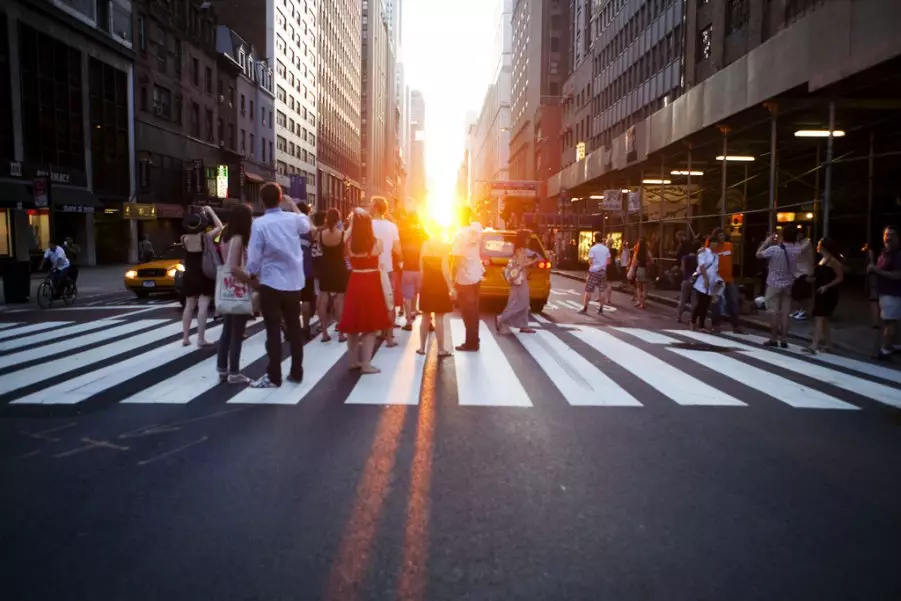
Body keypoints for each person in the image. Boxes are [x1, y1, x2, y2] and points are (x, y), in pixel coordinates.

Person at [245, 183, 311, 388]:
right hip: (293, 283)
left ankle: (274, 375)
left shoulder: (260, 224)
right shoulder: (293, 219)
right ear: (280, 198)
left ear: (262, 201)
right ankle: (297, 372)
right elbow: (307, 224)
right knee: (294, 327)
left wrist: (251, 272)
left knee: (273, 330)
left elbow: (255, 254)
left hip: (271, 282)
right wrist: (293, 205)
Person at [337, 209, 393, 374]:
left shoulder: (348, 242)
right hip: (371, 282)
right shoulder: (377, 243)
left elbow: (347, 234)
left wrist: (353, 223)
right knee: (370, 325)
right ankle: (366, 364)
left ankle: (353, 360)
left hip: (355, 281)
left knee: (353, 323)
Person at [216, 203, 254, 384]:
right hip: (237, 288)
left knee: (227, 331)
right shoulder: (238, 238)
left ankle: (222, 369)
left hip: (227, 289)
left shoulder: (225, 236)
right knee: (237, 333)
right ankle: (234, 372)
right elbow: (234, 267)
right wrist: (251, 279)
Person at [180, 206, 222, 347]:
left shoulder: (184, 238)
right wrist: (210, 211)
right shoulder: (206, 238)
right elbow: (220, 226)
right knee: (203, 306)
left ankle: (185, 338)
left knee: (189, 306)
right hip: (204, 274)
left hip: (190, 274)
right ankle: (200, 339)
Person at [756, 227, 803, 348]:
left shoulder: (774, 249)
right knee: (785, 313)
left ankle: (773, 338)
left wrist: (766, 242)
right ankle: (784, 339)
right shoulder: (797, 249)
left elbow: (758, 255)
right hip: (788, 283)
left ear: (782, 236)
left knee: (773, 312)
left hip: (773, 283)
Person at [451, 207, 485, 352]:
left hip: (464, 278)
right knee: (474, 311)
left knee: (467, 312)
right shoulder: (477, 229)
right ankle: (474, 339)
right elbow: (478, 223)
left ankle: (471, 343)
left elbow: (456, 259)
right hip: (477, 275)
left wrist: (452, 278)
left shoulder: (458, 235)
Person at [369, 196, 401, 347]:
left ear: (375, 207)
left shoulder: (368, 225)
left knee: (373, 302)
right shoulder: (392, 227)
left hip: (371, 269)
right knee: (389, 303)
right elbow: (397, 249)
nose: (369, 206)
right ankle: (389, 337)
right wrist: (399, 262)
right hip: (387, 268)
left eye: (370, 204)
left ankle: (375, 332)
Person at [496, 229, 539, 333]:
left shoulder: (521, 249)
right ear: (523, 239)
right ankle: (501, 318)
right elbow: (520, 264)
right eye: (528, 238)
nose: (529, 240)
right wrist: (533, 261)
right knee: (520, 302)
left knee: (523, 302)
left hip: (521, 278)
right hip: (519, 280)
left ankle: (523, 325)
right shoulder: (520, 250)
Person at [868, 225, 901, 361]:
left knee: (890, 322)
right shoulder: (884, 253)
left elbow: (898, 275)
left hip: (892, 293)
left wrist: (875, 270)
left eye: (892, 234)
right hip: (886, 292)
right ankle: (894, 345)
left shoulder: (897, 254)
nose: (889, 237)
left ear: (898, 237)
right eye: (887, 234)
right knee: (892, 321)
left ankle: (885, 350)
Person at [417, 234, 454, 356]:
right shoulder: (443, 247)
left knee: (425, 317)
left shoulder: (425, 244)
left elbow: (421, 266)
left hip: (427, 284)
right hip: (440, 285)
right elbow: (445, 269)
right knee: (439, 319)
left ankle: (422, 348)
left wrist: (422, 282)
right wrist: (451, 287)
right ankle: (441, 349)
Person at [807, 237, 844, 354]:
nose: (817, 246)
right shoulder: (823, 259)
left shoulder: (833, 260)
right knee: (824, 320)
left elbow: (840, 278)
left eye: (819, 244)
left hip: (828, 292)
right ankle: (829, 345)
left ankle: (814, 345)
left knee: (819, 317)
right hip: (820, 291)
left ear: (824, 247)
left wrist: (826, 286)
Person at [317, 208, 349, 343]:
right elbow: (346, 254)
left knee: (323, 299)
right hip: (339, 269)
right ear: (338, 219)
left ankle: (324, 333)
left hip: (325, 268)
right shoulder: (343, 235)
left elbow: (320, 250)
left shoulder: (320, 235)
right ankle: (341, 333)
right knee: (340, 300)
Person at [710, 227, 742, 333]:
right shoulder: (712, 248)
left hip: (729, 279)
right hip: (717, 279)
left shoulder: (729, 246)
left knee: (733, 301)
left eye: (723, 235)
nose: (722, 237)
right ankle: (715, 324)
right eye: (719, 235)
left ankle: (736, 326)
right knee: (716, 302)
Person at [400, 214, 426, 330]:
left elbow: (398, 249)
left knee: (407, 296)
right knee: (421, 294)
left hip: (407, 268)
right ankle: (428, 321)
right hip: (420, 268)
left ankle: (409, 322)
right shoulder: (422, 233)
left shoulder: (403, 233)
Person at [691, 235, 722, 331]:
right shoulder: (704, 252)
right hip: (702, 281)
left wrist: (716, 281)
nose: (715, 245)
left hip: (711, 282)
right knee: (701, 303)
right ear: (710, 243)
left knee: (706, 304)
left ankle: (699, 324)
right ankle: (696, 322)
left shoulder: (716, 256)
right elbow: (702, 266)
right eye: (714, 243)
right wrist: (706, 280)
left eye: (717, 244)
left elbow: (715, 270)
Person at [297, 201, 317, 338]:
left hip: (292, 270)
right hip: (307, 269)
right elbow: (315, 229)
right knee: (306, 299)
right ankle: (305, 327)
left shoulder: (291, 229)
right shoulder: (310, 231)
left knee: (291, 300)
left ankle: (289, 327)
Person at [579, 233, 610, 315]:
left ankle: (585, 308)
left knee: (588, 289)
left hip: (593, 271)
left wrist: (594, 265)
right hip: (603, 271)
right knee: (602, 290)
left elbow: (590, 261)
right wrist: (602, 265)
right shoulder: (606, 249)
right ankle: (601, 309)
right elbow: (609, 261)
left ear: (595, 239)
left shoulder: (593, 249)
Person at [791, 233, 816, 320]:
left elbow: (799, 251)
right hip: (797, 272)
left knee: (804, 293)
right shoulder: (796, 243)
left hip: (806, 271)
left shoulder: (807, 242)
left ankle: (804, 311)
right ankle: (799, 310)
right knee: (796, 293)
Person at [630, 237, 651, 309]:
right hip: (645, 270)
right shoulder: (647, 252)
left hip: (639, 269)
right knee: (645, 288)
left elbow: (635, 263)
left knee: (638, 288)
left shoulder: (637, 253)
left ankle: (640, 302)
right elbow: (650, 261)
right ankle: (643, 303)